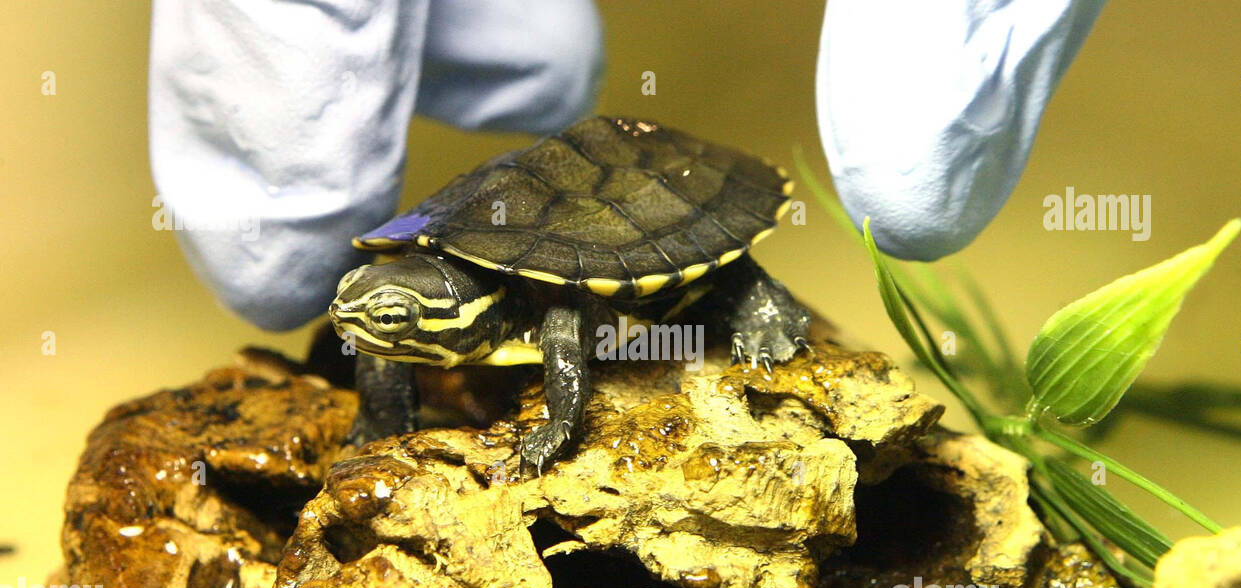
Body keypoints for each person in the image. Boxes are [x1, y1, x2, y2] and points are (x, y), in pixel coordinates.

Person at [150, 0, 1105, 331]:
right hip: (491, 224)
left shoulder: (535, 302)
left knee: (734, 294)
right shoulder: (425, 282)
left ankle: (762, 304)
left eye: (391, 312)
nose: (368, 318)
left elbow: (560, 311)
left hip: (651, 192)